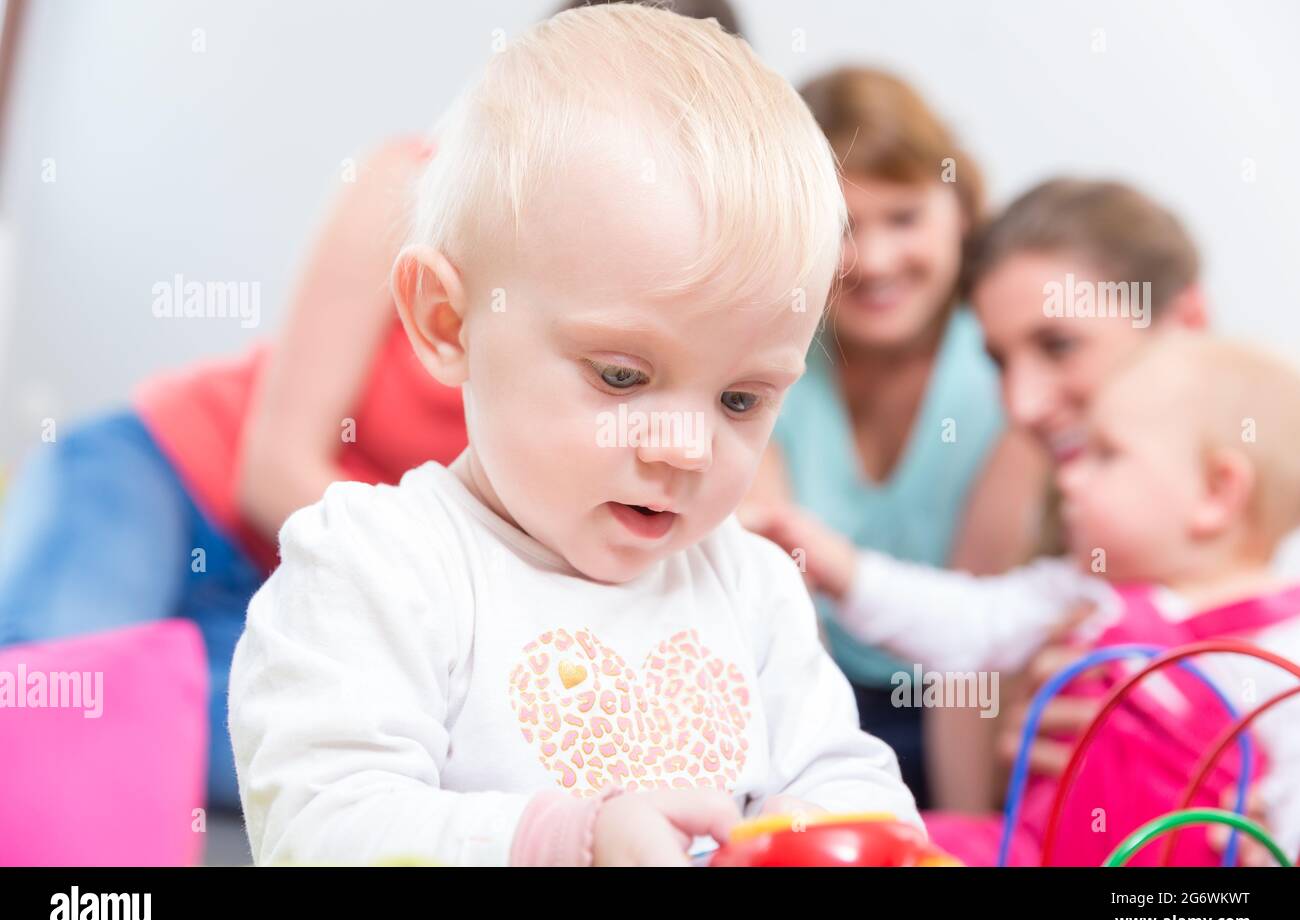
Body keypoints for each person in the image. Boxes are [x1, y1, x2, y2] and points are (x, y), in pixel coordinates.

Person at [0, 0, 744, 812]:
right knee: (50, 699)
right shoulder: (414, 187)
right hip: (175, 481)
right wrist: (467, 592)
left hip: (304, 595)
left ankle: (159, 675)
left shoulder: (674, 304)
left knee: (333, 750)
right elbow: (271, 470)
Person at [229, 3, 920, 867]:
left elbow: (856, 784)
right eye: (623, 377)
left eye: (741, 400)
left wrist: (830, 832)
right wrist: (569, 842)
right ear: (449, 322)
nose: (686, 447)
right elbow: (321, 829)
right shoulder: (378, 565)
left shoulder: (751, 587)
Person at [803, 336, 1300, 865]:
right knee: (893, 842)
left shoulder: (1279, 648)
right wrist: (847, 573)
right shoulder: (1081, 590)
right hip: (1033, 851)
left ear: (1217, 494)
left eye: (1106, 455)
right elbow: (970, 622)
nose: (1068, 475)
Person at [745, 67, 1046, 809]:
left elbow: (971, 647)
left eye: (905, 217)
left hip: (966, 706)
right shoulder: (770, 358)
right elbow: (778, 608)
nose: (874, 260)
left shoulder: (1006, 372)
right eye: (842, 229)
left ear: (962, 211)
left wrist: (963, 833)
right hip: (811, 700)